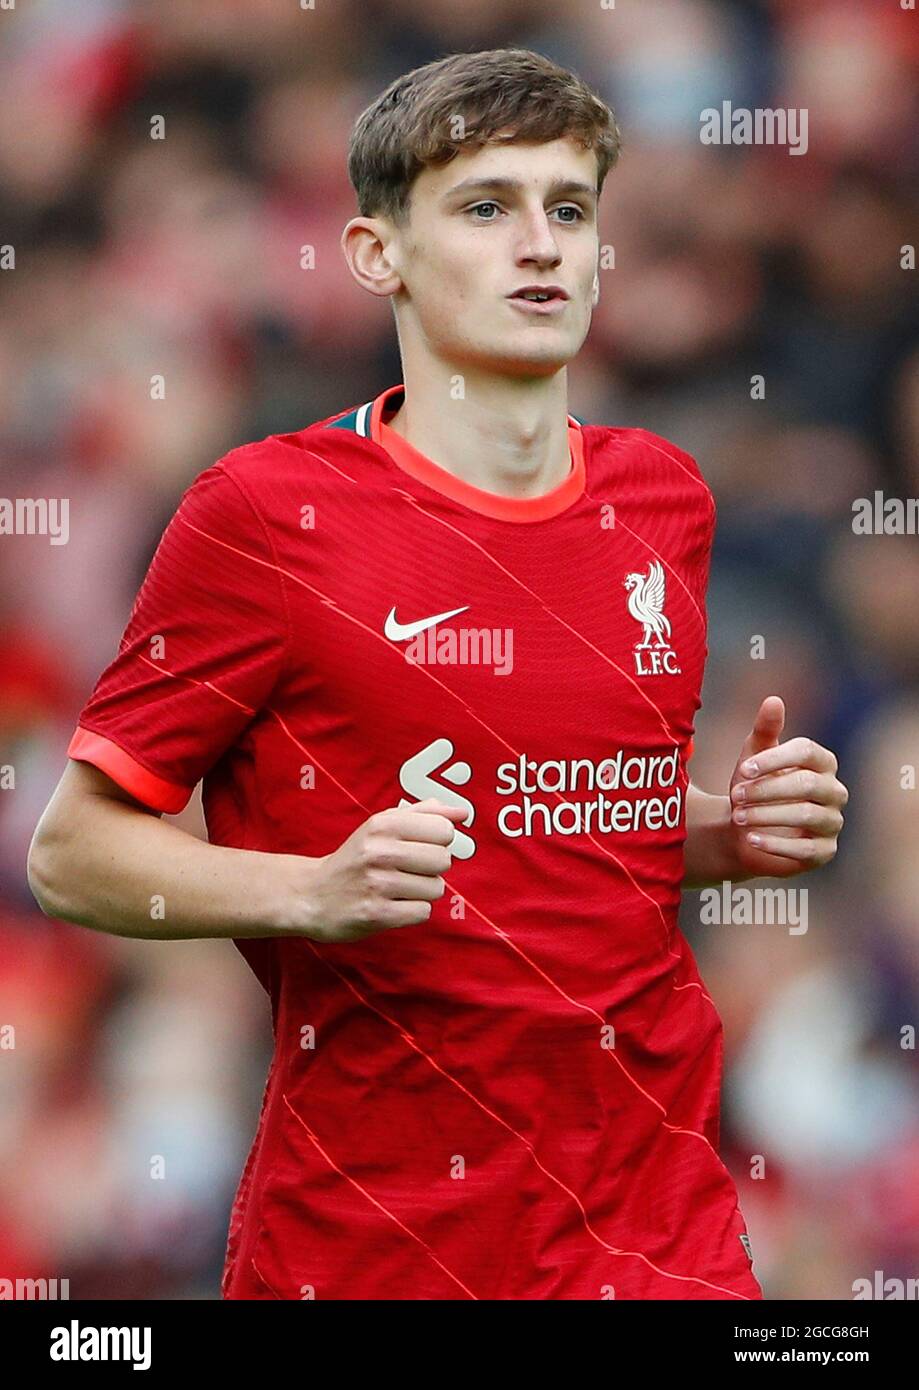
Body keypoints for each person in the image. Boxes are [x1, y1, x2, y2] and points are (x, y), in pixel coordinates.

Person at [28, 47, 847, 1300]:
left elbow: (557, 837)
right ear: (376, 254)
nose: (541, 245)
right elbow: (70, 854)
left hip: (653, 1233)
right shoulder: (265, 513)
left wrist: (720, 837)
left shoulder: (662, 497)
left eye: (568, 209)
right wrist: (312, 889)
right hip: (376, 1242)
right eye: (486, 207)